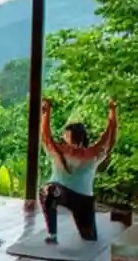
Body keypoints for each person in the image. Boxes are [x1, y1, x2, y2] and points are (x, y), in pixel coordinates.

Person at [39, 98, 118, 244]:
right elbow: (46, 137)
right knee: (47, 190)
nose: (66, 141)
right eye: (65, 137)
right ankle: (53, 234)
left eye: (68, 138)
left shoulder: (91, 155)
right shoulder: (61, 152)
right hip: (60, 193)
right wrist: (46, 112)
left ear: (80, 140)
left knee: (90, 240)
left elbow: (109, 138)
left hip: (83, 200)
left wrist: (112, 112)